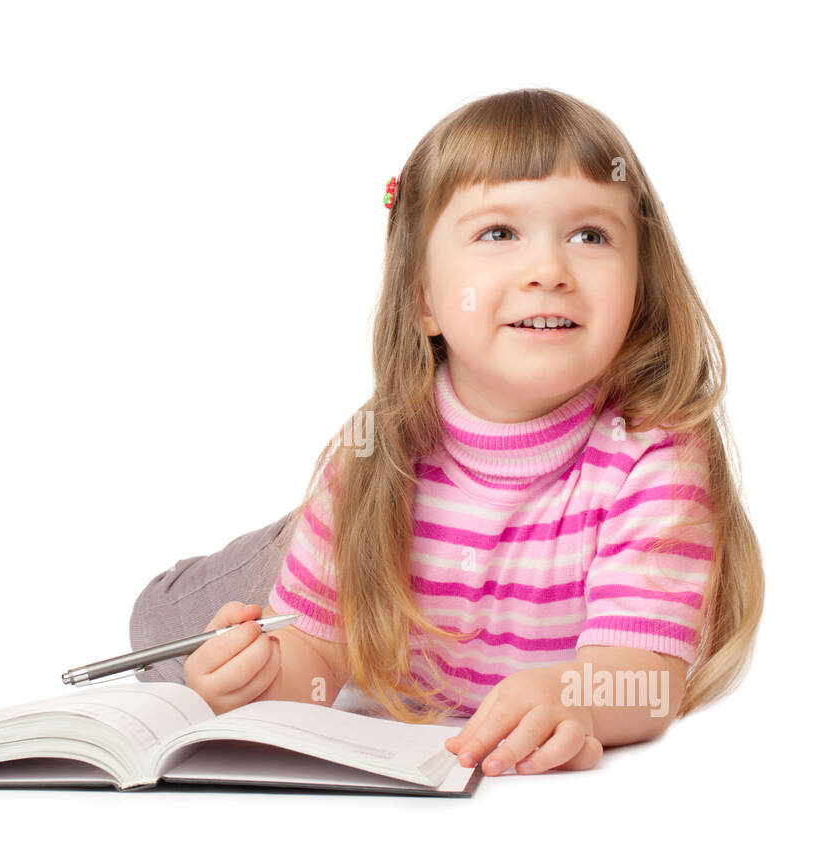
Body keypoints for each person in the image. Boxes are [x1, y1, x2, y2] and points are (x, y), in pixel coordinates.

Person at [129, 87, 764, 777]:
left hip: (429, 570)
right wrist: (255, 675)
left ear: (640, 284)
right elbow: (311, 668)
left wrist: (570, 694)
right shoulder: (372, 455)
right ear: (425, 299)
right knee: (161, 628)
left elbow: (645, 677)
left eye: (590, 235)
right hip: (294, 552)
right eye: (499, 233)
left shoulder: (655, 457)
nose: (548, 270)